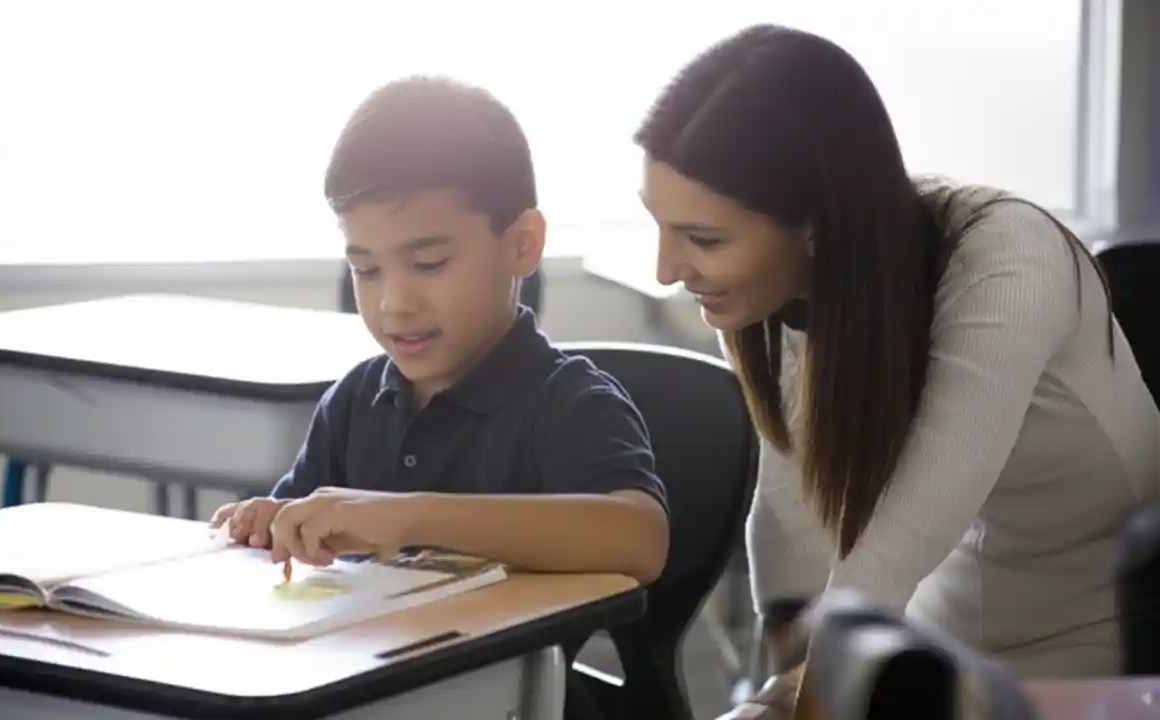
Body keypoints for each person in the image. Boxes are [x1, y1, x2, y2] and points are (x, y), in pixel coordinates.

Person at [634, 24, 1159, 679]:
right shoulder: (774, 293)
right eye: (658, 223)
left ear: (816, 227)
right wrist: (778, 682)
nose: (666, 270)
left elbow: (901, 542)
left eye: (703, 239)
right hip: (939, 632)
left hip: (1100, 639)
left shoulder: (1008, 261)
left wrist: (816, 691)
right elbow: (791, 519)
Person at [211, 76, 669, 584]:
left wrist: (404, 516)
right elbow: (303, 525)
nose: (394, 304)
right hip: (373, 658)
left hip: (511, 665)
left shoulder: (569, 403)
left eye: (428, 263)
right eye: (366, 270)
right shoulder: (353, 403)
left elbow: (639, 539)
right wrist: (272, 520)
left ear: (522, 244)